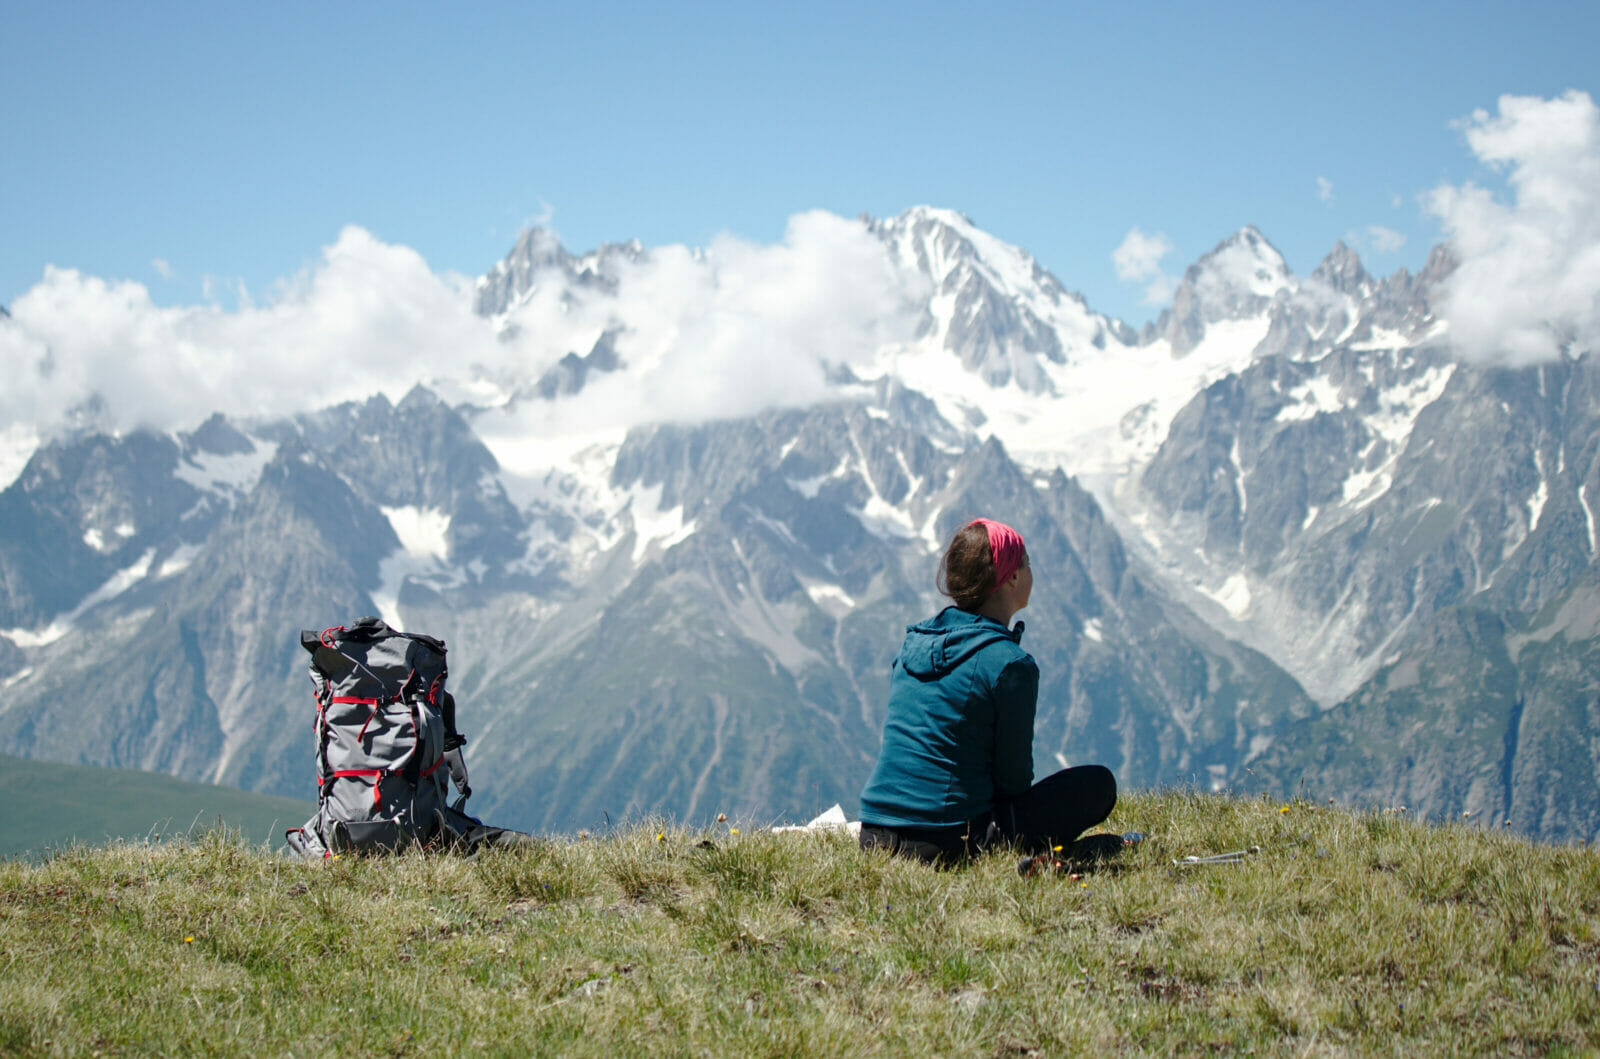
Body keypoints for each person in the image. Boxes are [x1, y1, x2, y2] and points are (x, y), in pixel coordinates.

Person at [858, 517, 1118, 866]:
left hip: (874, 836)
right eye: (1026, 564)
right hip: (947, 840)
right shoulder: (1009, 664)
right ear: (1011, 577)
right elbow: (1012, 782)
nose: (1030, 573)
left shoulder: (911, 645)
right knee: (1097, 785)